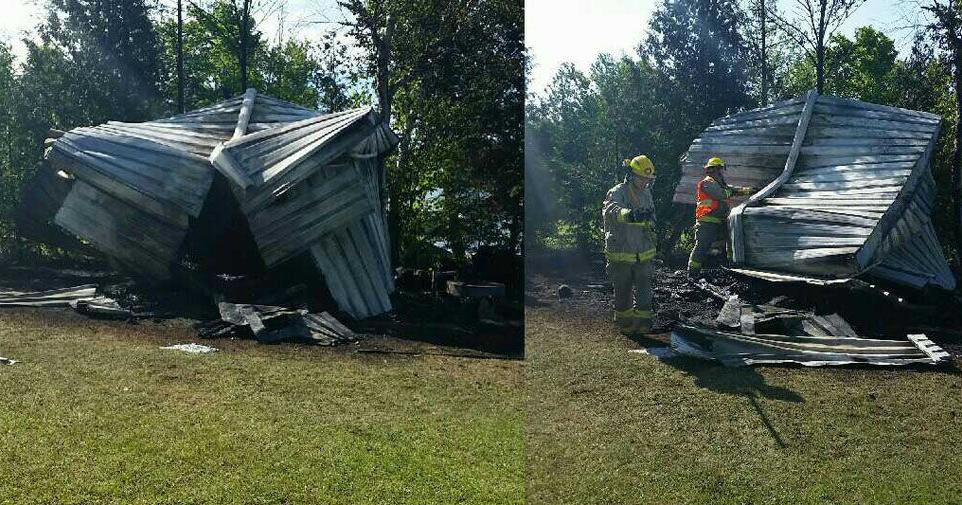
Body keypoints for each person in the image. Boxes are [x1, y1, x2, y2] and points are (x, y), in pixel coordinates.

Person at [602, 155, 657, 335]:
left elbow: (651, 216)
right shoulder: (618, 191)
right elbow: (611, 211)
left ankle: (643, 322)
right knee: (623, 286)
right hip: (622, 249)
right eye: (642, 178)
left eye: (647, 179)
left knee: (644, 286)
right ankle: (625, 323)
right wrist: (629, 214)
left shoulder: (646, 192)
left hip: (643, 250)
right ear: (632, 175)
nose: (644, 182)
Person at [688, 157, 755, 272]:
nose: (721, 173)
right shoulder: (706, 183)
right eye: (720, 169)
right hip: (706, 222)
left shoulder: (718, 184)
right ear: (713, 170)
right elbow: (722, 194)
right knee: (702, 246)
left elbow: (731, 190)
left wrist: (749, 191)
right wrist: (730, 191)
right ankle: (693, 272)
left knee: (719, 248)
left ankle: (715, 270)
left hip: (719, 221)